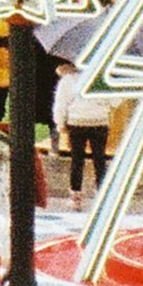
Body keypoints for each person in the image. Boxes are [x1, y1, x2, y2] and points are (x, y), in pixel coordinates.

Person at [54, 51, 112, 194]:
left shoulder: (68, 80)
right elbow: (115, 100)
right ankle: (102, 191)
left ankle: (76, 194)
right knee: (100, 159)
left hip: (76, 122)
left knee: (77, 160)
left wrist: (60, 124)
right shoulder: (102, 79)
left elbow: (61, 104)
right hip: (99, 121)